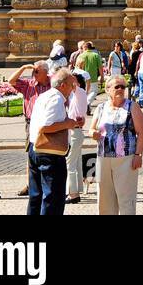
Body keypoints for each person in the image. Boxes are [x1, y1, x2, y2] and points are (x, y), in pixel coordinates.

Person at [91, 75, 143, 215]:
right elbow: (92, 128)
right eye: (117, 87)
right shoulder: (101, 108)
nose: (121, 89)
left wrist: (138, 155)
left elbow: (141, 132)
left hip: (126, 159)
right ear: (108, 90)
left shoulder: (132, 106)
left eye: (123, 86)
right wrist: (93, 133)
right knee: (104, 200)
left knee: (126, 199)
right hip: (103, 158)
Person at [28, 67, 79, 216]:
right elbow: (46, 126)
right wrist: (68, 124)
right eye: (71, 85)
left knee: (36, 195)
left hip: (36, 148)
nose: (72, 89)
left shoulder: (45, 96)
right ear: (62, 85)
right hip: (50, 153)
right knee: (53, 197)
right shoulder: (56, 98)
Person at [8, 61, 51, 196]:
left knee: (49, 152)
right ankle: (30, 185)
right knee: (32, 153)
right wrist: (23, 67)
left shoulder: (53, 85)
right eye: (33, 71)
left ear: (45, 72)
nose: (34, 73)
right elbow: (11, 81)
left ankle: (46, 183)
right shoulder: (29, 84)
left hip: (49, 123)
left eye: (37, 71)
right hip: (31, 123)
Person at [65, 73, 91, 203]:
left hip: (75, 132)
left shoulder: (80, 92)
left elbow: (73, 85)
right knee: (76, 163)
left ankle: (73, 194)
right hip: (75, 132)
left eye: (72, 80)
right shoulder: (76, 96)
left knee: (70, 163)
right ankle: (76, 190)